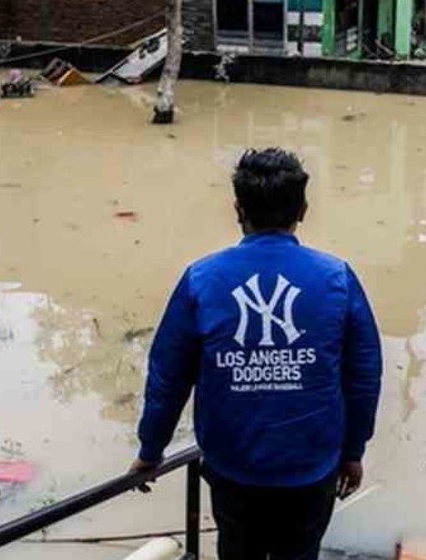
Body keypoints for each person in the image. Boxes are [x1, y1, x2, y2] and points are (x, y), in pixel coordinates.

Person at [132, 148, 384, 560]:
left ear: (238, 208)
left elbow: (168, 377)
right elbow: (364, 376)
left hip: (234, 465)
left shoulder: (202, 279)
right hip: (312, 464)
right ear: (302, 209)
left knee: (238, 551)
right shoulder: (335, 277)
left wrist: (150, 450)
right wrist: (353, 452)